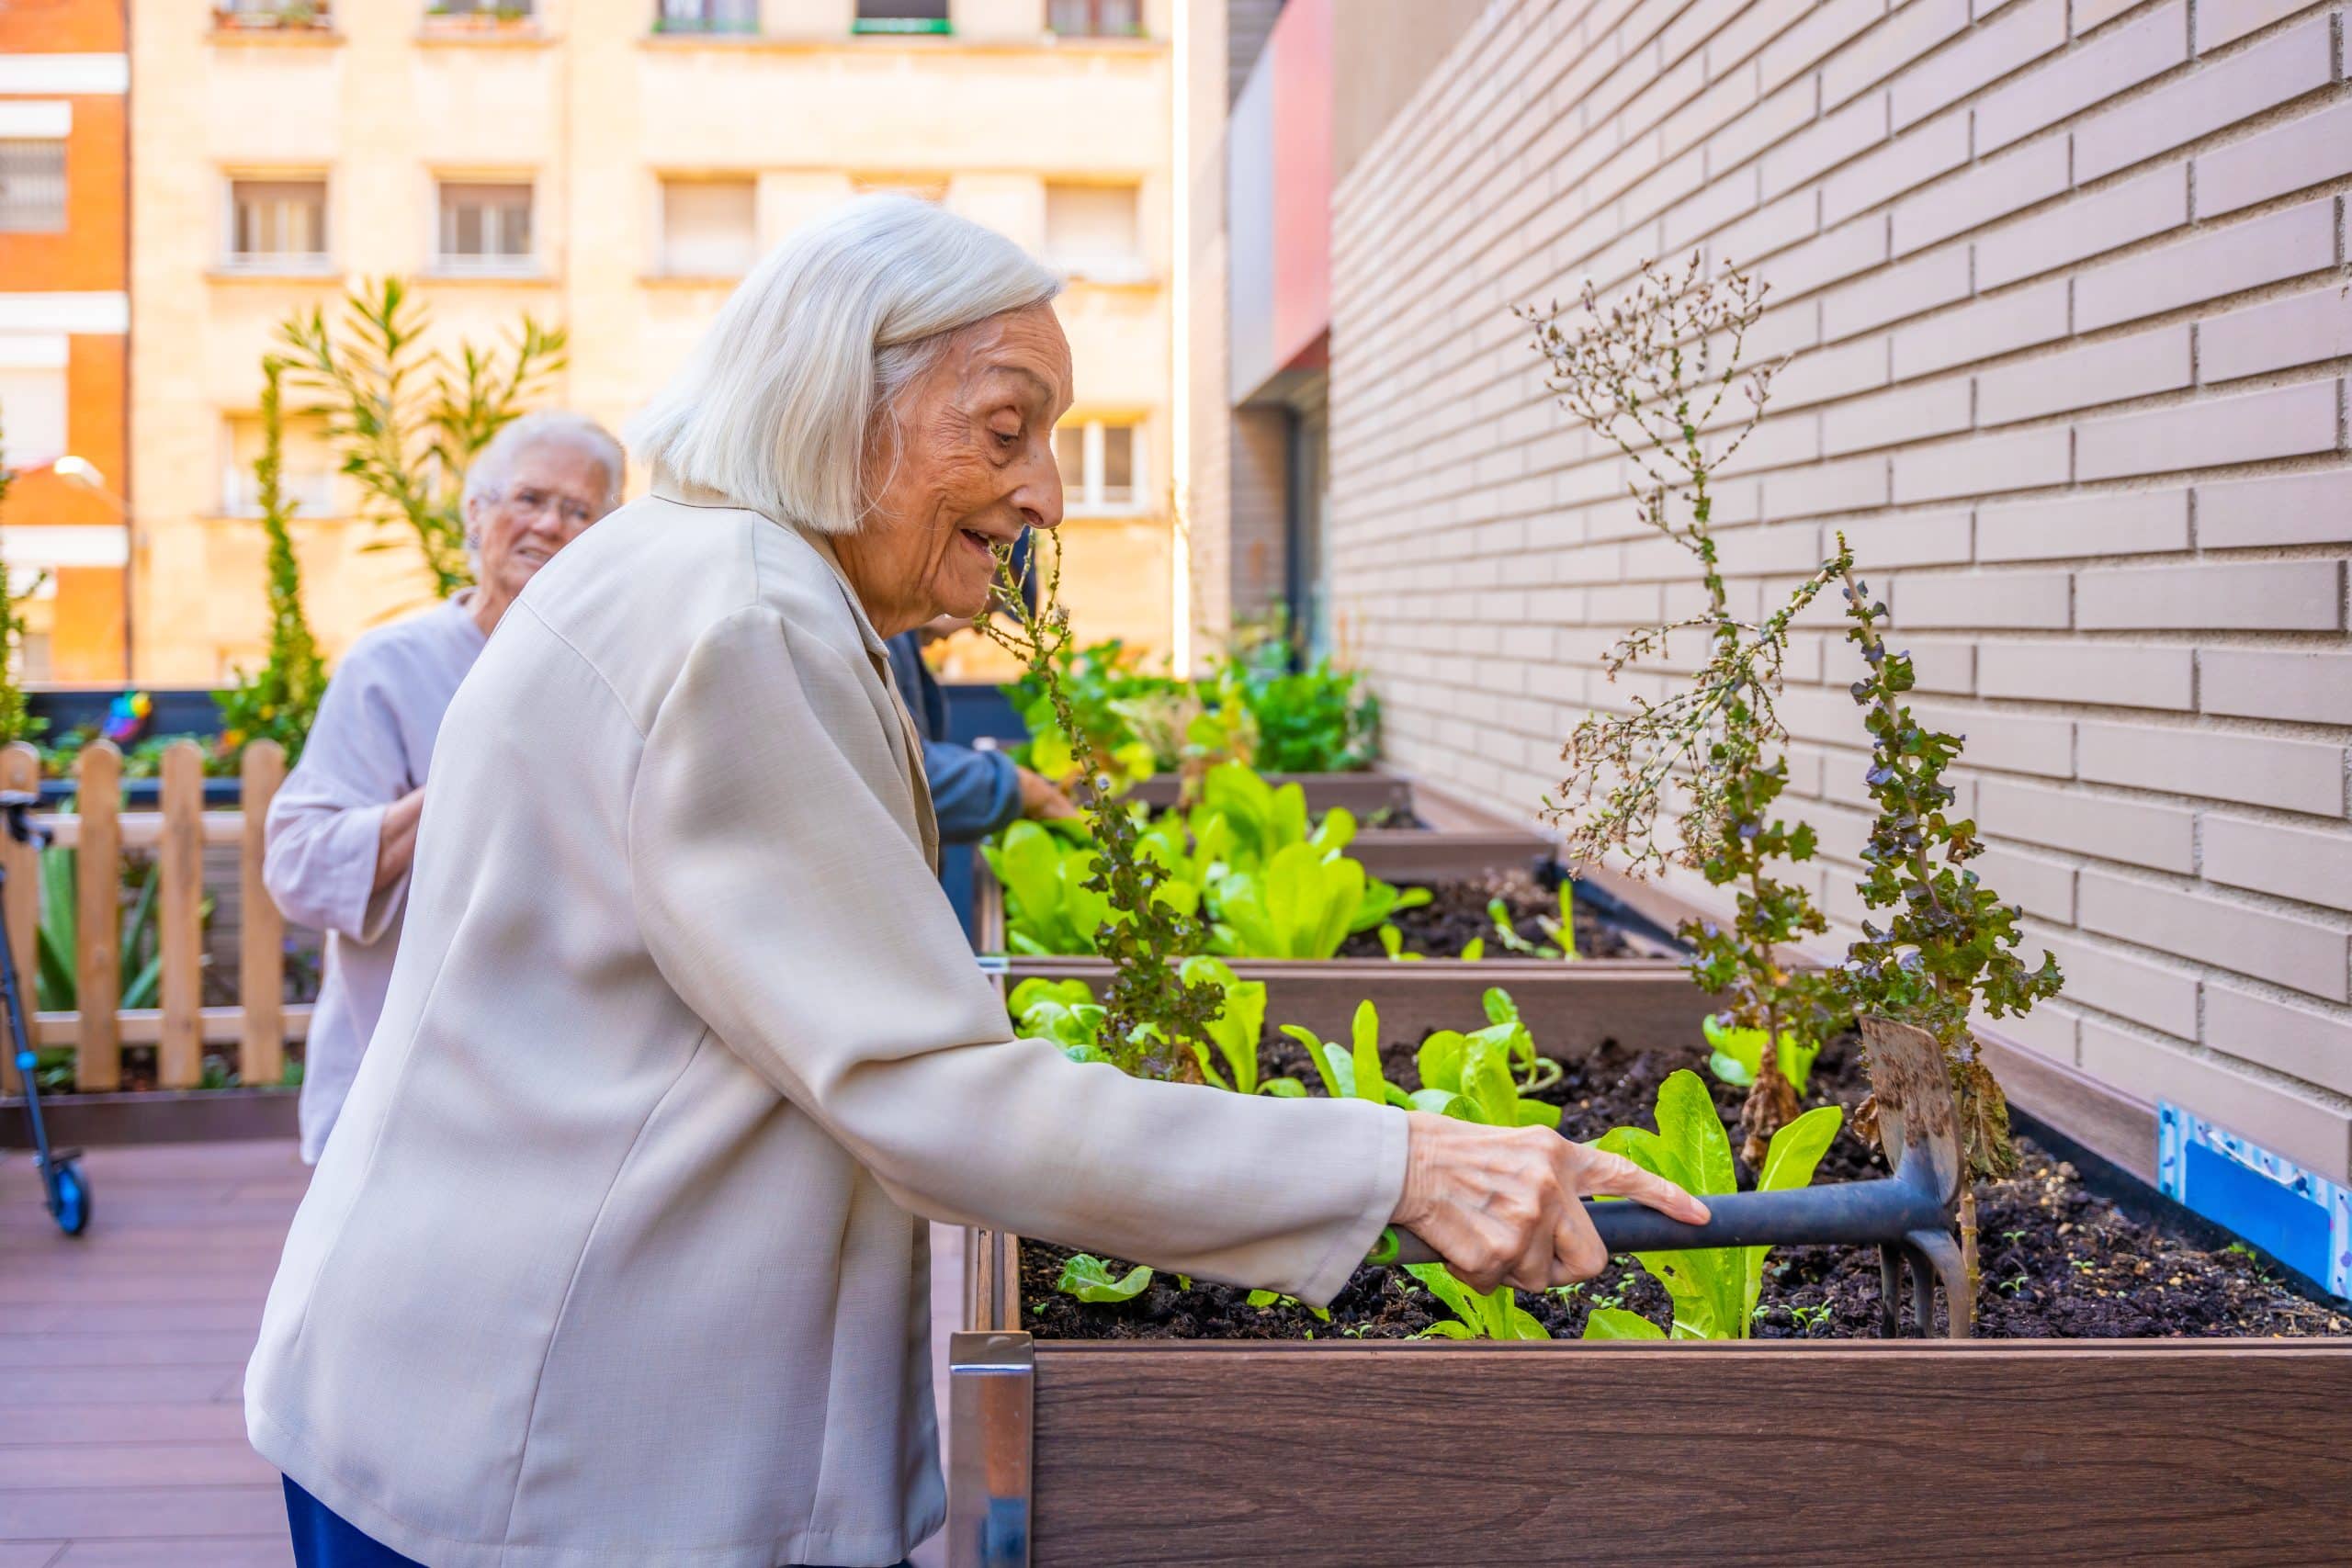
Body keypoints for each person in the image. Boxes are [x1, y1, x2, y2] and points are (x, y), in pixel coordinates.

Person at [244, 197, 1706, 1568]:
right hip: (538, 1453)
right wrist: (1405, 1161)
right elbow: (924, 1090)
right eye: (1005, 427)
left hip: (459, 1384)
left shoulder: (690, 568)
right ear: (836, 398)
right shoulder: (744, 616)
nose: (1050, 495)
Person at [260, 412, 625, 1163]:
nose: (551, 525)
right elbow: (299, 862)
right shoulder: (392, 667)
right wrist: (464, 785)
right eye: (529, 498)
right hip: (400, 1095)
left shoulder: (623, 675)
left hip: (569, 1090)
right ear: (475, 513)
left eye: (580, 510)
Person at [885, 618, 1075, 841]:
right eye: (988, 606)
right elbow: (907, 780)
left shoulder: (896, 642)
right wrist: (1023, 788)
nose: (978, 630)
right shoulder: (882, 640)